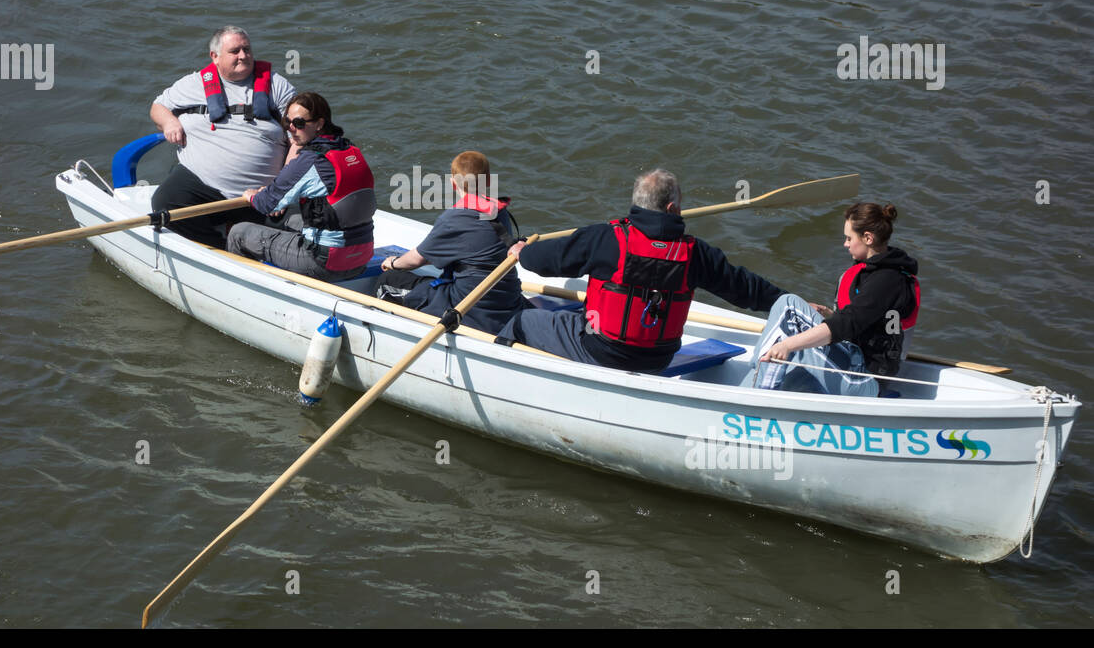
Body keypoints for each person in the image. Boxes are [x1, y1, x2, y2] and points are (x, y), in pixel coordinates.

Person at [495, 169, 786, 374]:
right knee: (573, 316)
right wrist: (786, 302)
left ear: (637, 203)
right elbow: (745, 288)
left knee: (523, 319)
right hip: (659, 358)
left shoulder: (605, 238)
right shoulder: (697, 253)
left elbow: (544, 262)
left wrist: (523, 251)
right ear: (672, 208)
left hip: (600, 350)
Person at [744, 202, 920, 396]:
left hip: (862, 380)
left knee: (789, 306)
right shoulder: (875, 272)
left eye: (849, 238)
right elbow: (865, 321)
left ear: (868, 238)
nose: (845, 244)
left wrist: (787, 345)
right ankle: (760, 381)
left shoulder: (888, 280)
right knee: (793, 372)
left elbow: (846, 325)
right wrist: (830, 314)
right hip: (853, 365)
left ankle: (757, 394)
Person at [148, 25, 297, 247]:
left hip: (262, 194)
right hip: (202, 185)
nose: (243, 56)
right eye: (235, 51)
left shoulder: (277, 86)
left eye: (247, 49)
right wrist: (169, 122)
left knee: (300, 225)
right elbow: (158, 106)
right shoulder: (194, 83)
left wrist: (282, 187)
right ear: (215, 57)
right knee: (165, 202)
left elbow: (301, 140)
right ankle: (220, 248)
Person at [375, 151, 533, 335]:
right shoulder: (500, 212)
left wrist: (393, 262)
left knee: (387, 281)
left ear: (452, 182)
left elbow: (416, 260)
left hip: (471, 306)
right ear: (488, 181)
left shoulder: (453, 219)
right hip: (506, 299)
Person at [227, 92, 376, 281]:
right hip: (361, 258)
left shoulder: (309, 160)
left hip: (323, 263)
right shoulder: (350, 150)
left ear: (319, 124)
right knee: (290, 218)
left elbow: (267, 204)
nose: (290, 129)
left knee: (238, 232)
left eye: (298, 124)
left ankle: (242, 291)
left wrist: (252, 196)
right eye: (286, 123)